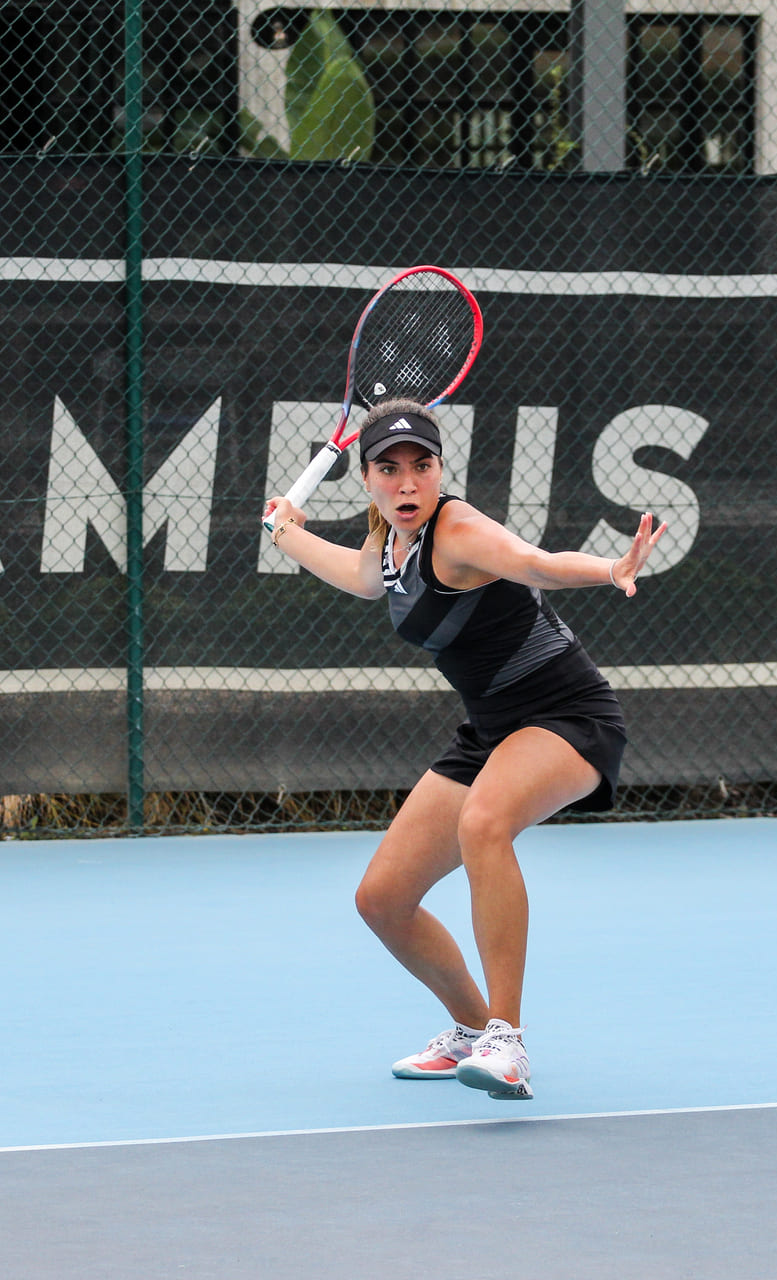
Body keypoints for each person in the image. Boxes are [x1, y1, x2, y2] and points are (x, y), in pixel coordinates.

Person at [264, 400, 666, 1098]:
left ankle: (508, 1041)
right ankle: (473, 1032)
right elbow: (364, 579)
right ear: (366, 481)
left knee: (485, 823)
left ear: (440, 469)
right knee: (383, 899)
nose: (408, 483)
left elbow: (531, 561)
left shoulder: (457, 528)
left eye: (422, 466)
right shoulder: (388, 543)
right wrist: (287, 535)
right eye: (389, 470)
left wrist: (609, 569)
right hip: (488, 730)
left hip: (565, 716)